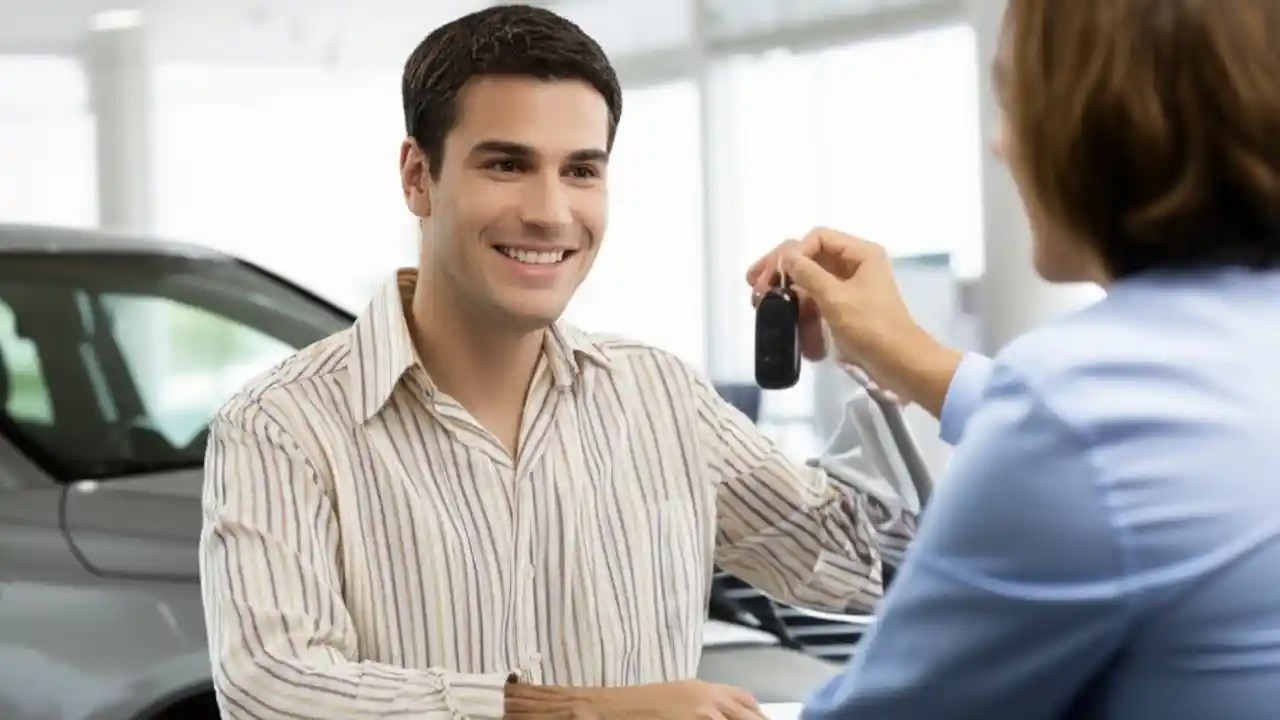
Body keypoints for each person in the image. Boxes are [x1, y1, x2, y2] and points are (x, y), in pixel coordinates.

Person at [199, 5, 922, 719]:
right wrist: (583, 711)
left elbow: (870, 572)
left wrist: (887, 361)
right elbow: (275, 690)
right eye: (508, 165)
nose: (550, 212)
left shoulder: (659, 395)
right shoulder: (281, 425)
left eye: (580, 172)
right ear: (418, 176)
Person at [746, 0, 1280, 717]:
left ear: (1101, 118)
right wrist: (910, 357)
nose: (1001, 144)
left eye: (1016, 97)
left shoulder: (1082, 407)